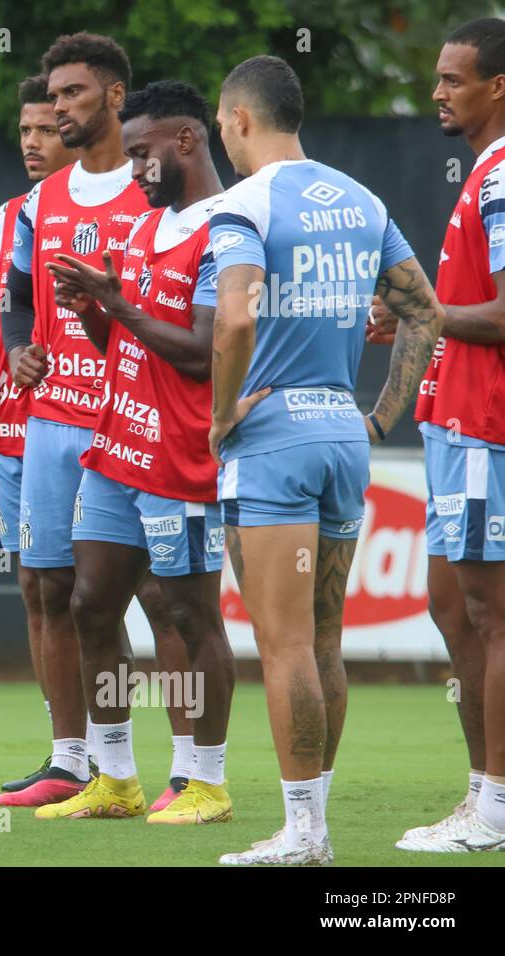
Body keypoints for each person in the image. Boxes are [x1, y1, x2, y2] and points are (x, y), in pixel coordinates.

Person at [207, 55, 441, 865]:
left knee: (284, 646)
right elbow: (425, 308)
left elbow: (233, 323)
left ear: (239, 119)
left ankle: (306, 834)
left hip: (272, 440)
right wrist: (380, 416)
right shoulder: (361, 198)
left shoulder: (241, 204)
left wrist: (218, 417)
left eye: (221, 127)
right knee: (326, 636)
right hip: (342, 435)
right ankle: (313, 820)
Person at [0, 33, 190, 811]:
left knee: (156, 595)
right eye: (53, 94)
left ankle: (187, 768)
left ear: (114, 97)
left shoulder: (154, 190)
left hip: (133, 419)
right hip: (52, 420)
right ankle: (75, 761)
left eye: (72, 94)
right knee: (48, 589)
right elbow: (15, 295)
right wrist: (17, 353)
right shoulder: (40, 201)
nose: (57, 108)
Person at [39, 80, 233, 823]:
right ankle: (114, 776)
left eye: (147, 155)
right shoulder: (146, 228)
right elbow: (125, 341)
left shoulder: (225, 229)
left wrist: (117, 304)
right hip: (118, 447)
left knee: (187, 615)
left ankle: (202, 780)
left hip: (180, 457)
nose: (140, 171)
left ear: (186, 142)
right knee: (90, 604)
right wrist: (93, 311)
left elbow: (201, 356)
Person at [380, 17, 505, 853]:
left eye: (454, 79)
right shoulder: (486, 172)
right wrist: (412, 326)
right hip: (454, 421)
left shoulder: (502, 179)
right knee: (453, 608)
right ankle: (481, 793)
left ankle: (494, 807)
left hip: (485, 427)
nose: (436, 93)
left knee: (491, 614)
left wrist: (425, 315)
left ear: (498, 86)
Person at [0, 74, 81, 799]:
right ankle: (65, 749)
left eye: (45, 127)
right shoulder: (8, 216)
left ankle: (126, 755)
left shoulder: (113, 204)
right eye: (26, 130)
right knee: (36, 589)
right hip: (12, 426)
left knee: (95, 595)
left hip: (78, 422)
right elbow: (1, 322)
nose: (33, 141)